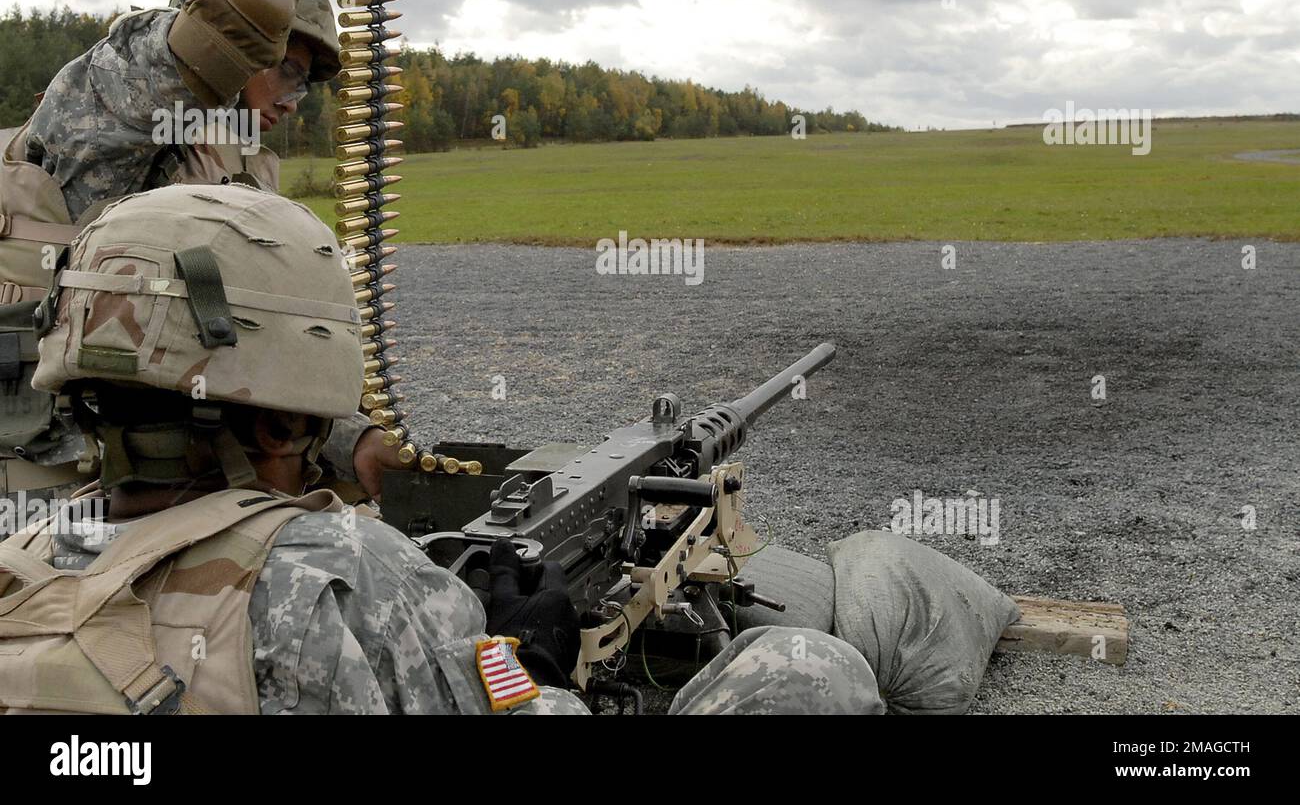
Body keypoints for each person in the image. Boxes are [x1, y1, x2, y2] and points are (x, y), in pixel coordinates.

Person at [0, 184, 883, 715]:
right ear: (280, 418)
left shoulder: (29, 559)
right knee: (808, 668)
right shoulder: (342, 570)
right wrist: (524, 661)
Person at [0, 0, 400, 513]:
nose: (293, 97)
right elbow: (228, 16)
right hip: (48, 497)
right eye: (289, 68)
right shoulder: (114, 124)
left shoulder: (239, 180)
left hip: (180, 487)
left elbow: (260, 348)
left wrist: (346, 439)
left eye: (310, 83)